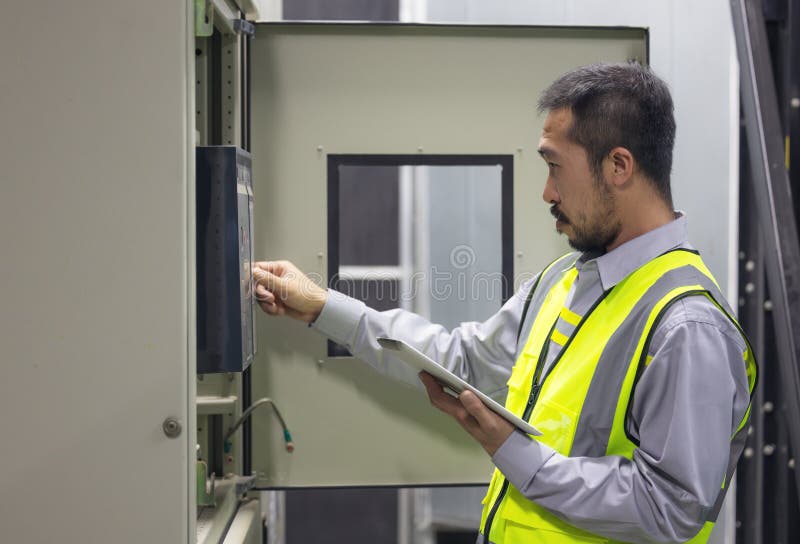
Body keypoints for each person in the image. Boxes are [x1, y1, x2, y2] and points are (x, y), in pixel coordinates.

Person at [252, 63, 756, 544]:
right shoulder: (565, 280)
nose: (547, 192)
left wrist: (516, 454)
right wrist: (321, 306)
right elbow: (464, 360)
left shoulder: (687, 326)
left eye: (555, 167)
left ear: (618, 166)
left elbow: (670, 508)